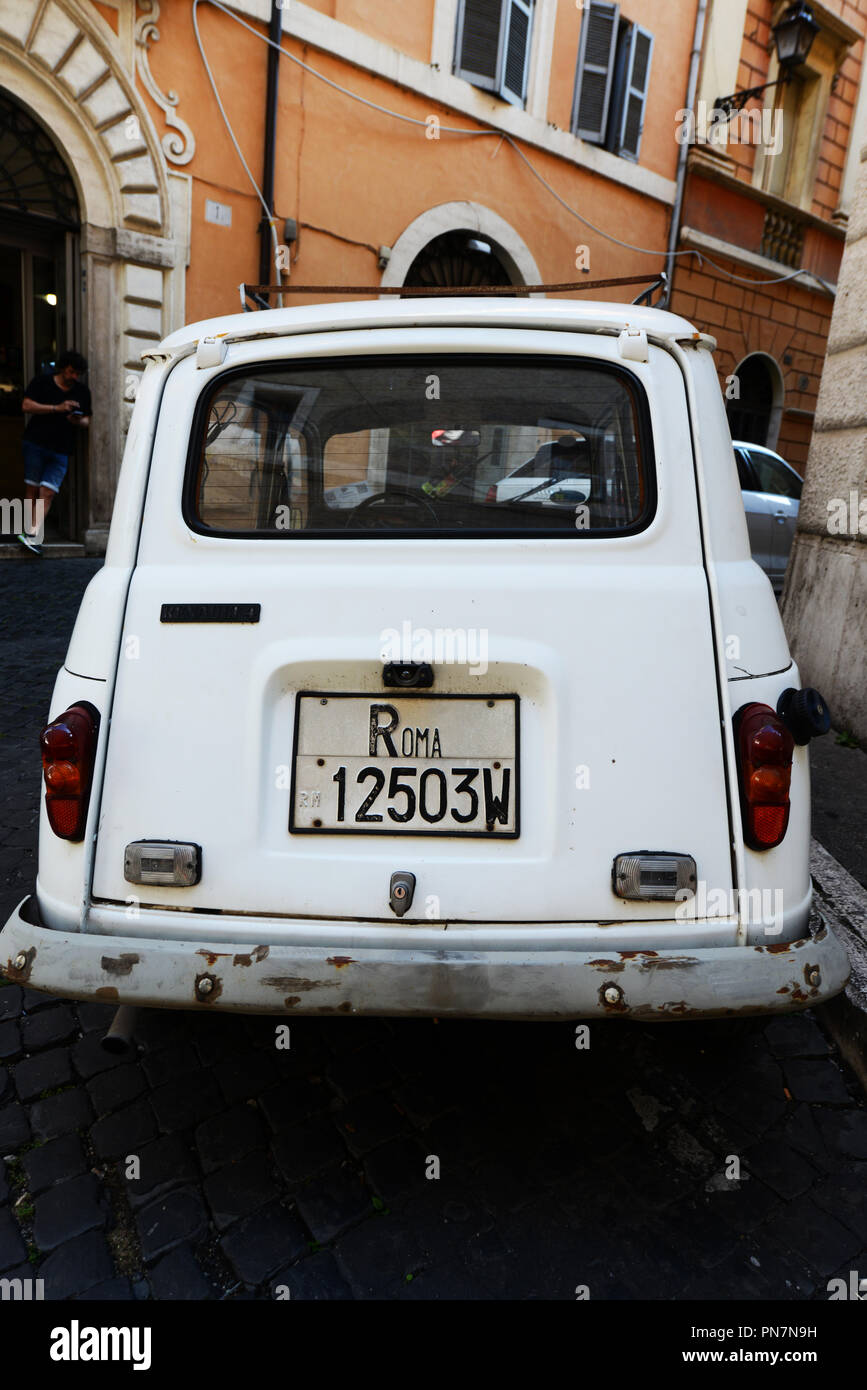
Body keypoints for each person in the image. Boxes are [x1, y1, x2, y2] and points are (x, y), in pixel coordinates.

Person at [17, 349, 91, 555]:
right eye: (71, 372)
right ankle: (30, 532)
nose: (74, 377)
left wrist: (78, 420)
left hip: (62, 448)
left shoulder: (82, 392)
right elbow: (26, 405)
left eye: (78, 373)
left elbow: (88, 420)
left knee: (47, 492)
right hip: (35, 443)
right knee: (32, 490)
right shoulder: (42, 383)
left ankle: (32, 535)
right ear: (62, 368)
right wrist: (56, 408)